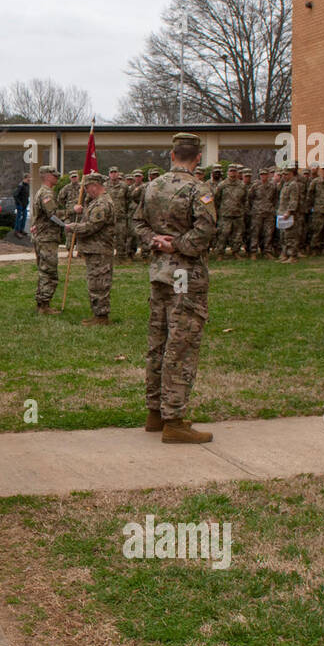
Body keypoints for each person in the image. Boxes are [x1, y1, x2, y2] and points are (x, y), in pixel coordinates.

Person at [133, 131, 216, 444]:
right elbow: (206, 231)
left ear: (171, 155)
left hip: (159, 275)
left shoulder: (152, 186)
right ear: (197, 158)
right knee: (181, 347)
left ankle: (155, 412)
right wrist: (176, 245)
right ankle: (174, 421)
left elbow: (137, 223)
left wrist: (155, 240)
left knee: (159, 343)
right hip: (186, 277)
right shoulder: (199, 188)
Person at [66, 173, 114, 326]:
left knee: (99, 284)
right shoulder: (96, 202)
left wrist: (72, 227)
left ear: (95, 185)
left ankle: (101, 317)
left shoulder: (102, 203)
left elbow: (92, 226)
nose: (86, 191)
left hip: (99, 249)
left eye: (87, 187)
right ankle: (98, 315)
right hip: (95, 249)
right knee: (95, 282)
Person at [31, 165, 65, 314]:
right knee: (49, 271)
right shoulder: (46, 194)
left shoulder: (43, 192)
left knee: (44, 270)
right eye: (54, 175)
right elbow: (53, 214)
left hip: (43, 236)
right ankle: (44, 305)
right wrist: (70, 214)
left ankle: (42, 302)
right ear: (47, 176)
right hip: (47, 238)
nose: (56, 177)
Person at [277, 166, 302, 263]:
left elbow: (294, 200)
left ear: (291, 174)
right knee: (283, 236)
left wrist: (289, 211)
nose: (284, 176)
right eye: (283, 174)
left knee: (291, 236)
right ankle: (285, 254)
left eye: (286, 174)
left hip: (289, 214)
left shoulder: (293, 184)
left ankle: (292, 256)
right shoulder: (285, 184)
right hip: (282, 213)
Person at [13, 172, 30, 236]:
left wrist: (27, 202)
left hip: (25, 205)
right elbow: (15, 195)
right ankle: (17, 231)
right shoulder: (20, 186)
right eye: (29, 178)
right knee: (19, 217)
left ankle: (21, 230)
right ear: (25, 178)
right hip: (20, 205)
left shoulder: (27, 186)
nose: (30, 179)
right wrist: (19, 203)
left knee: (24, 217)